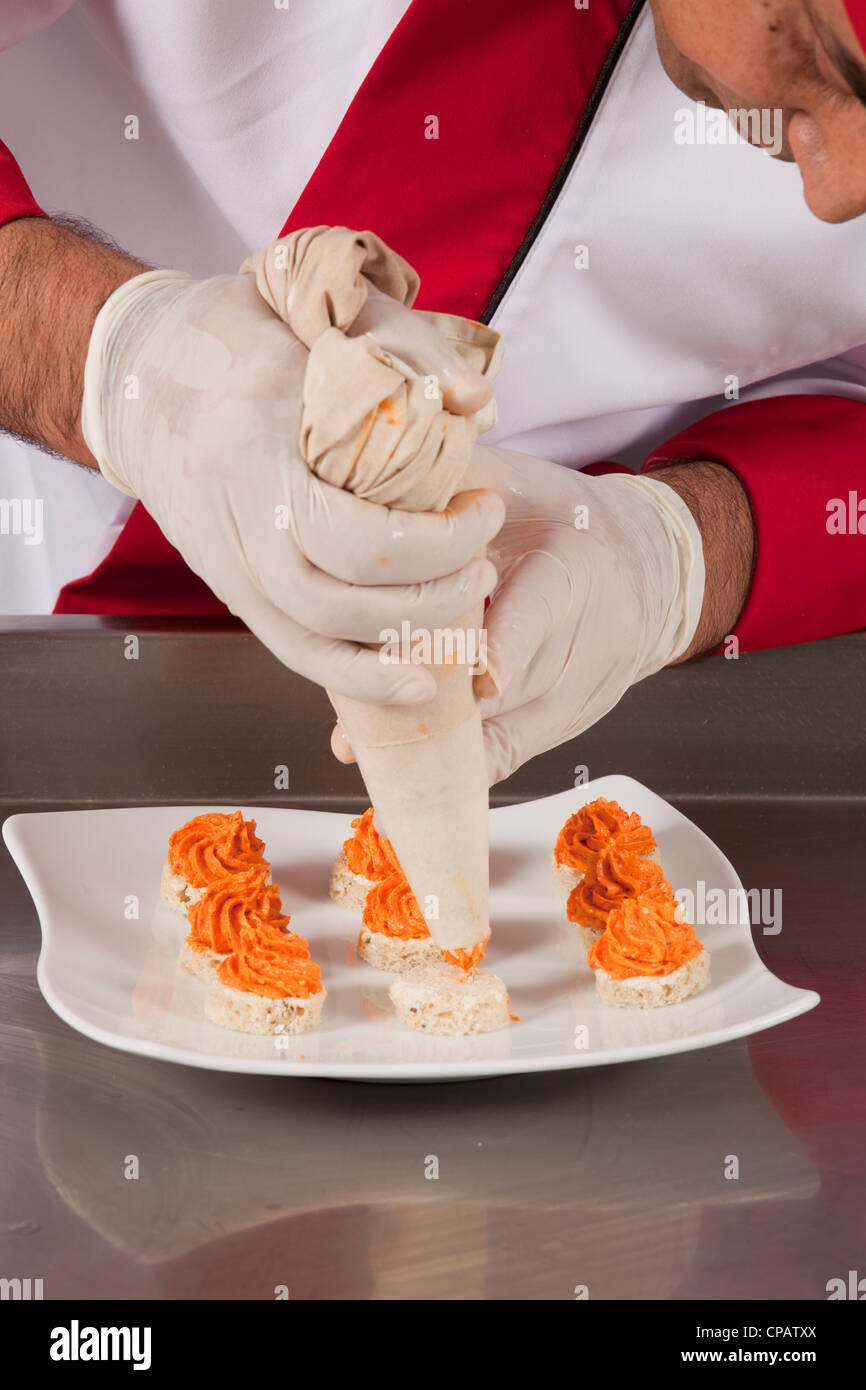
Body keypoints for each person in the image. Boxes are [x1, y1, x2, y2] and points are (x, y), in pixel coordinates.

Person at [1, 0, 865, 784]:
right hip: (57, 601)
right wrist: (120, 361)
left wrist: (681, 552)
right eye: (833, 60)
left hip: (586, 706)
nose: (834, 197)